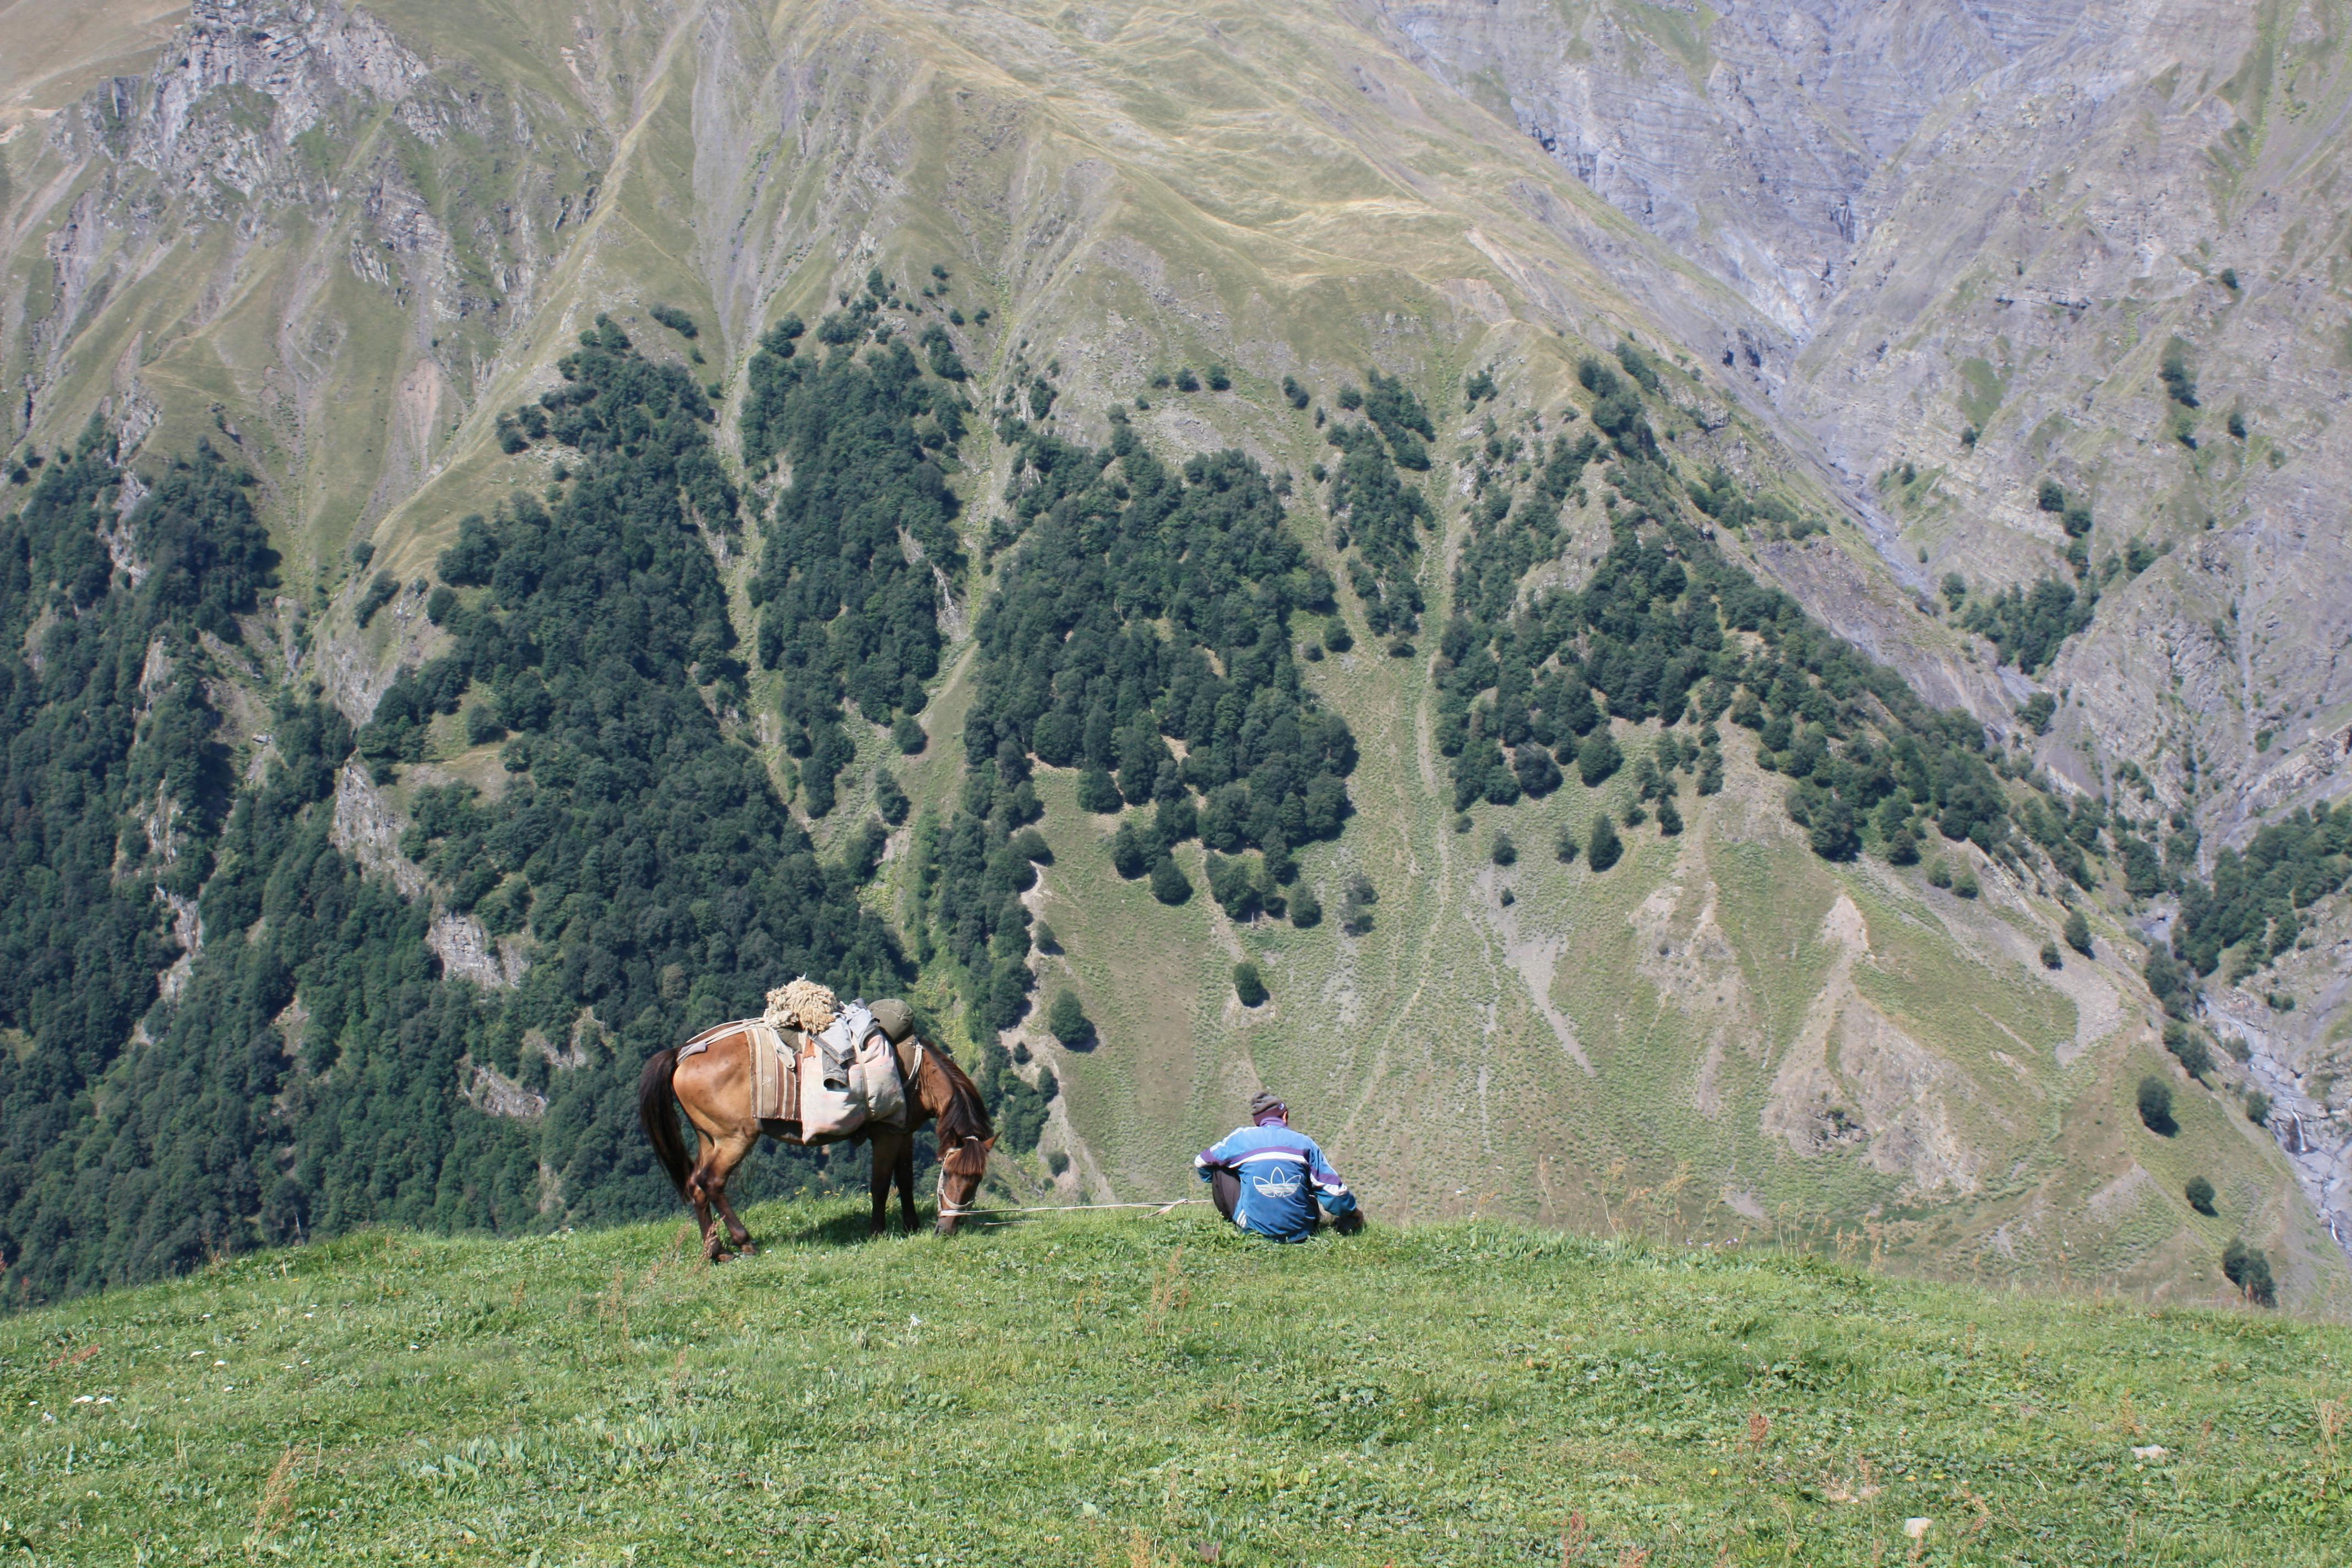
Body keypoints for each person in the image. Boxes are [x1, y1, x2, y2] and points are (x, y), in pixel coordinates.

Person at [1194, 1092, 1362, 1242]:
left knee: (1220, 1169)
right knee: (1307, 1176)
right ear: (1285, 1116)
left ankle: (1239, 1222)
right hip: (1302, 1231)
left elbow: (1201, 1162)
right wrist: (1352, 1212)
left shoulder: (1240, 1139)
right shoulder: (1304, 1143)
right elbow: (1332, 1190)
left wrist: (1235, 1182)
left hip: (1254, 1230)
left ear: (1257, 1121)